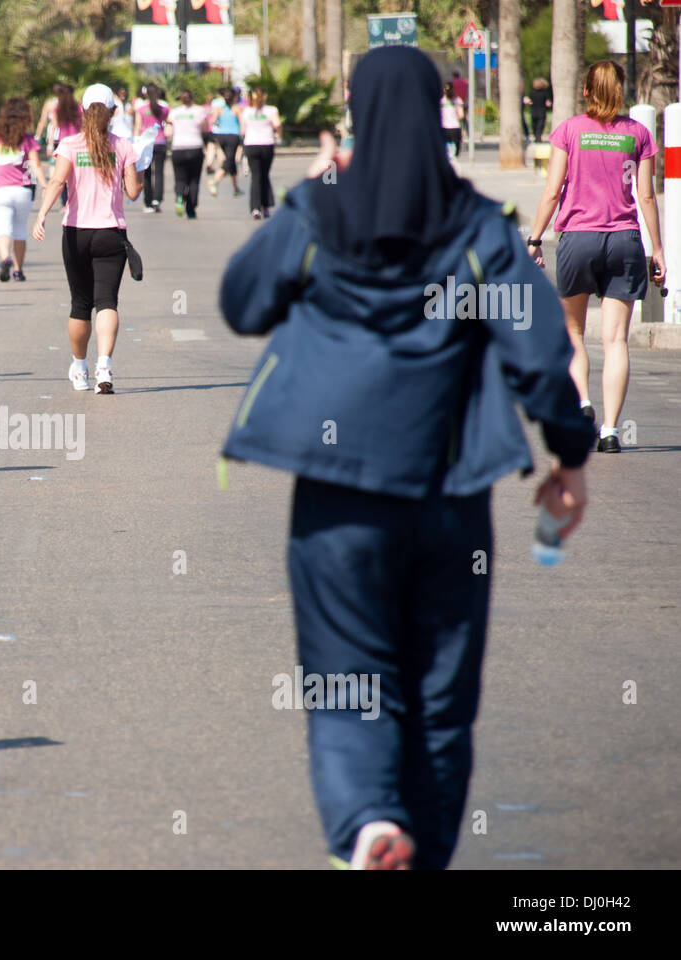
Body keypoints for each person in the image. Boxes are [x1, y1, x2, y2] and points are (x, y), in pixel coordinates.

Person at [219, 45, 595, 870]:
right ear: (436, 113)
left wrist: (318, 187)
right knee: (440, 700)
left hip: (336, 499)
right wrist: (569, 456)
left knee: (346, 679)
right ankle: (418, 850)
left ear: (357, 114)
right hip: (450, 499)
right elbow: (539, 358)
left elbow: (241, 300)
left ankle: (368, 825)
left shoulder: (319, 213)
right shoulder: (479, 231)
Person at [527, 60, 663, 454]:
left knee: (572, 332)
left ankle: (583, 401)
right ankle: (610, 432)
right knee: (616, 339)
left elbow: (553, 192)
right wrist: (657, 249)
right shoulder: (637, 133)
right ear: (621, 91)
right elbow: (647, 196)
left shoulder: (570, 130)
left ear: (586, 91)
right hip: (624, 241)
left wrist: (535, 239)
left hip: (578, 240)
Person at [32, 84, 142, 395]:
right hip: (111, 234)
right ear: (113, 113)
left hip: (76, 233)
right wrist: (141, 171)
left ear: (83, 111)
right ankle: (104, 364)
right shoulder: (123, 146)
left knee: (80, 303)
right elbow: (134, 192)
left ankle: (79, 367)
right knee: (106, 301)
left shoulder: (69, 144)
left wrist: (41, 215)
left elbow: (56, 181)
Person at [0, 96, 47, 282]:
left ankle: (5, 258)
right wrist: (44, 184)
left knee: (2, 228)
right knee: (20, 230)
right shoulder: (26, 139)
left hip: (0, 190)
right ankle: (18, 271)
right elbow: (35, 164)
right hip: (23, 190)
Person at [167, 89, 210, 219]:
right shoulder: (199, 111)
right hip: (195, 147)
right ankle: (191, 209)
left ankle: (179, 196)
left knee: (180, 178)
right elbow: (205, 128)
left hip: (178, 148)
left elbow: (168, 132)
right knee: (194, 180)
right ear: (192, 98)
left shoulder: (174, 112)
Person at [242, 87, 281, 219]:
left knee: (256, 176)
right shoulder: (271, 110)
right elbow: (277, 124)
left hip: (251, 144)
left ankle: (255, 208)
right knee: (265, 175)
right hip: (267, 144)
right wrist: (278, 136)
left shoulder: (246, 112)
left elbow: (243, 131)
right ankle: (266, 206)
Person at [133, 82, 168, 212]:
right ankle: (157, 199)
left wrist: (136, 144)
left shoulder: (141, 109)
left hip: (145, 144)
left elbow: (137, 127)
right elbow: (165, 124)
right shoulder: (164, 108)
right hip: (160, 142)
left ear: (145, 93)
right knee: (159, 172)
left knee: (145, 173)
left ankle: (148, 202)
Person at [208, 86, 242, 198]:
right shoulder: (236, 108)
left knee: (231, 162)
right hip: (233, 136)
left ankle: (236, 188)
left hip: (221, 136)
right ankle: (215, 181)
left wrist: (219, 127)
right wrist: (243, 135)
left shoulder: (220, 109)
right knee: (229, 161)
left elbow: (213, 121)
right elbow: (242, 123)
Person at [440, 83, 464, 160]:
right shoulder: (457, 100)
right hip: (455, 127)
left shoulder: (441, 101)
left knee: (445, 151)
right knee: (455, 153)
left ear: (444, 90)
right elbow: (461, 115)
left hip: (444, 127)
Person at [525, 77, 552, 143]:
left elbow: (529, 101)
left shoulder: (532, 92)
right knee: (540, 125)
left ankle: (536, 137)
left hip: (533, 111)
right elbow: (548, 103)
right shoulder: (545, 93)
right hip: (542, 112)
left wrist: (531, 104)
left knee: (534, 125)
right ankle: (538, 137)